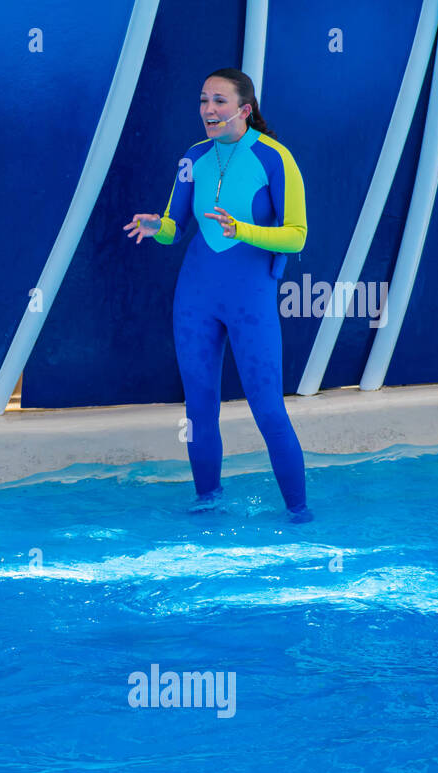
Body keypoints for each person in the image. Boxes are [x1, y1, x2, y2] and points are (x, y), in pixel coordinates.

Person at [124, 67, 312, 522]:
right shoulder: (192, 158)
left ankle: (299, 514)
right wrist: (157, 228)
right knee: (199, 406)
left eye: (220, 101)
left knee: (267, 408)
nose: (209, 110)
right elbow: (176, 227)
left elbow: (297, 236)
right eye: (204, 100)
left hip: (250, 297)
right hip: (196, 294)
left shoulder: (274, 158)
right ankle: (207, 502)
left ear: (244, 110)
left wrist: (243, 229)